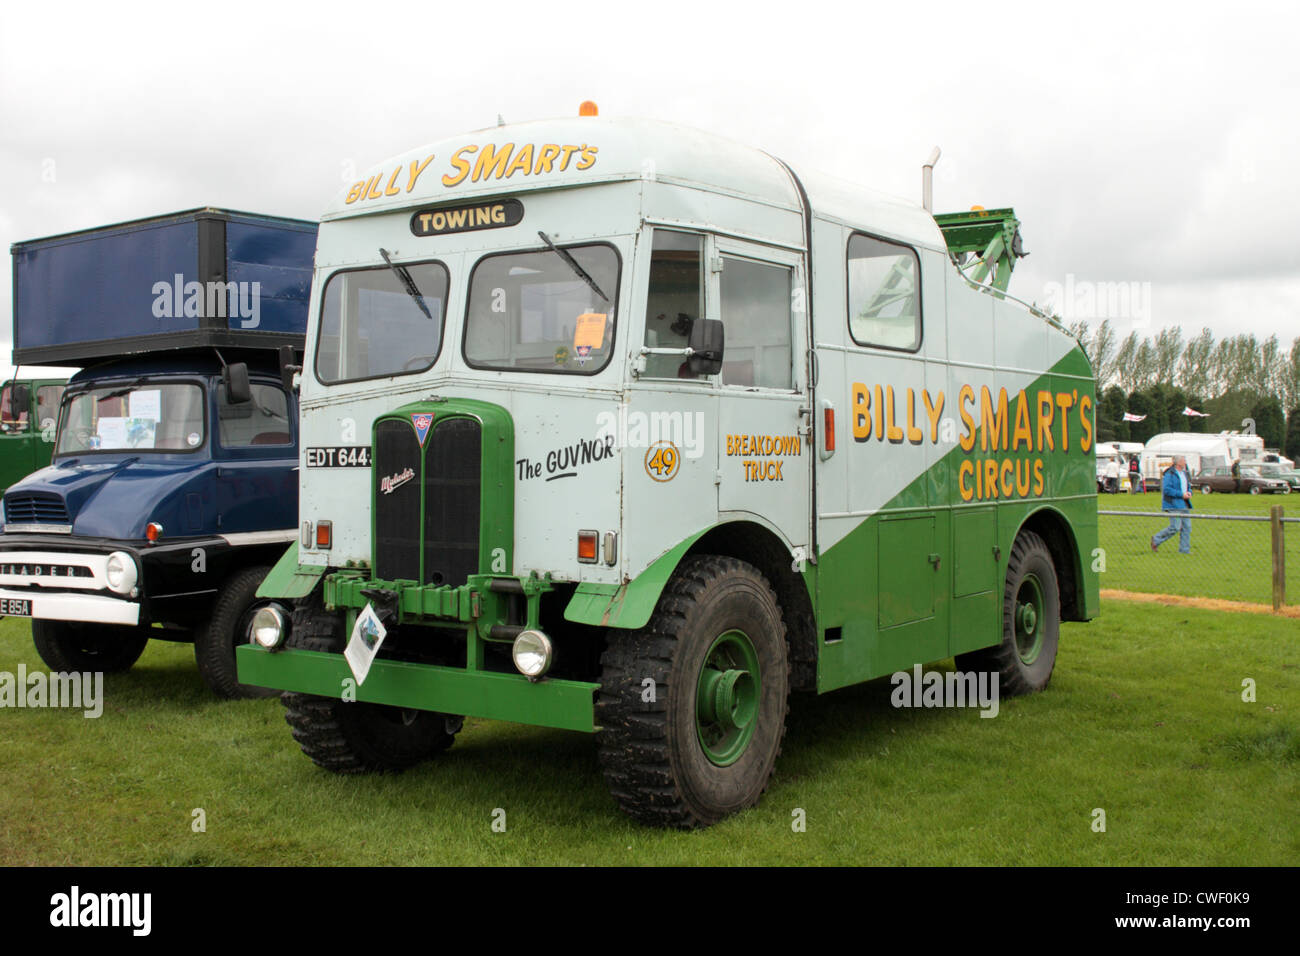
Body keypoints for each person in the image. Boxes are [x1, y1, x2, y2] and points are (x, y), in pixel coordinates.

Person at [1151, 455, 1193, 554]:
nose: (1185, 462)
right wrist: (1181, 494)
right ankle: (1156, 539)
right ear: (1178, 462)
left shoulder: (1184, 473)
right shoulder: (1169, 474)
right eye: (1183, 460)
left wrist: (1189, 492)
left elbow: (1188, 486)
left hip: (1184, 504)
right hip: (1173, 505)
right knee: (1175, 527)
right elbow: (1167, 490)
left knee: (1187, 527)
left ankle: (1184, 550)